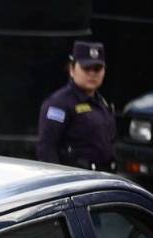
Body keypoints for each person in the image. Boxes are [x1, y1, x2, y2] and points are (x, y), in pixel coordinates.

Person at [36, 40, 116, 171]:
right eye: (86, 68)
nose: (92, 73)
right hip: (76, 181)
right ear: (72, 70)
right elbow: (46, 148)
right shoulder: (59, 103)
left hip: (102, 179)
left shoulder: (101, 102)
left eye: (97, 68)